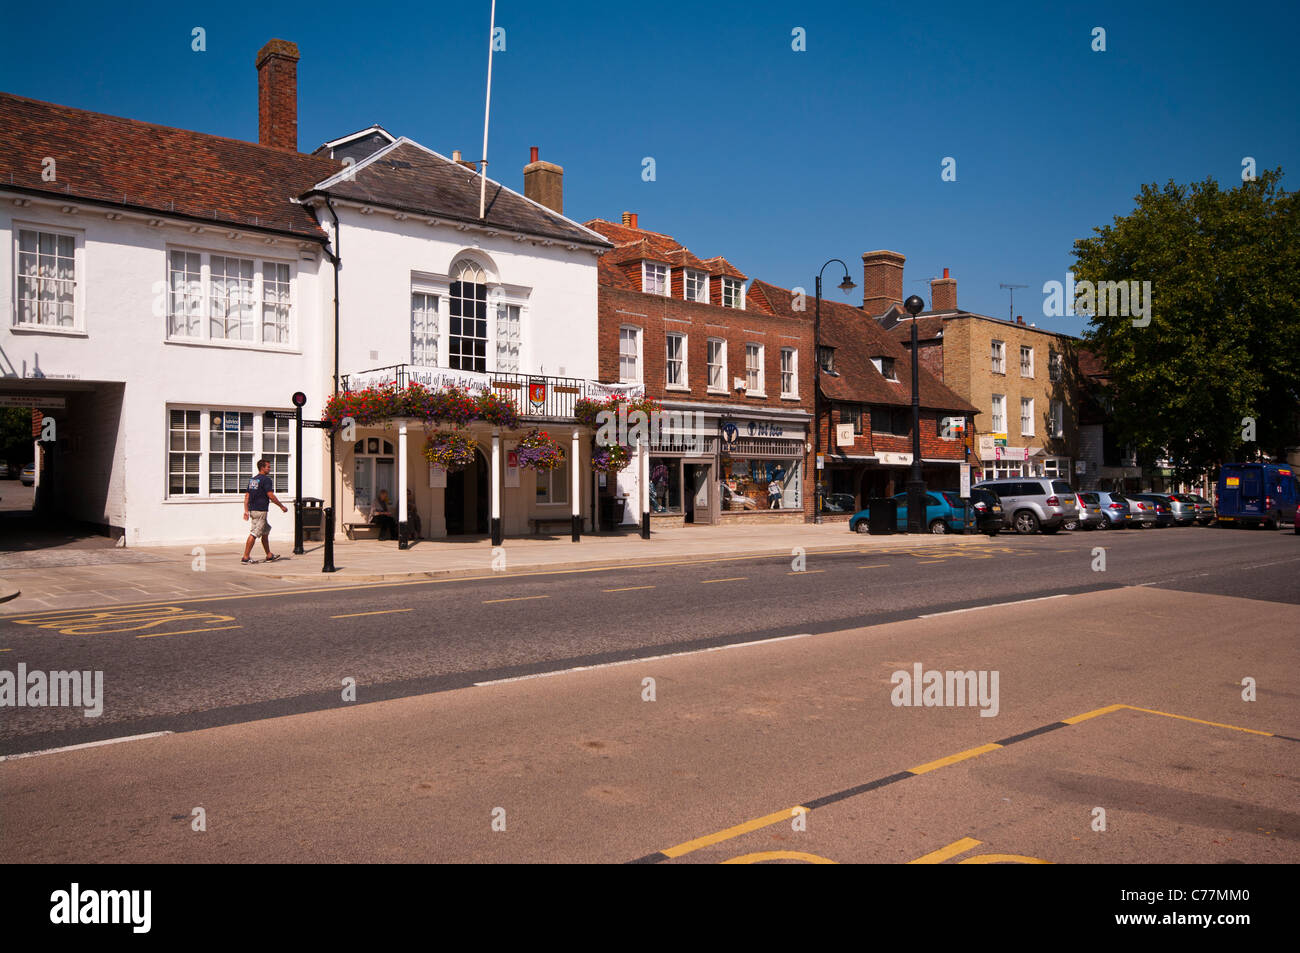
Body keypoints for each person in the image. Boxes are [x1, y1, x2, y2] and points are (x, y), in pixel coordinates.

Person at [242, 458, 288, 563]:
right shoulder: (266, 480)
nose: (270, 468)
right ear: (262, 468)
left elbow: (247, 496)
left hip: (253, 510)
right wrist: (281, 506)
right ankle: (245, 557)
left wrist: (246, 511)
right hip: (261, 511)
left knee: (265, 531)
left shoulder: (253, 480)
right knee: (254, 533)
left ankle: (269, 555)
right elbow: (270, 495)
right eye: (268, 467)